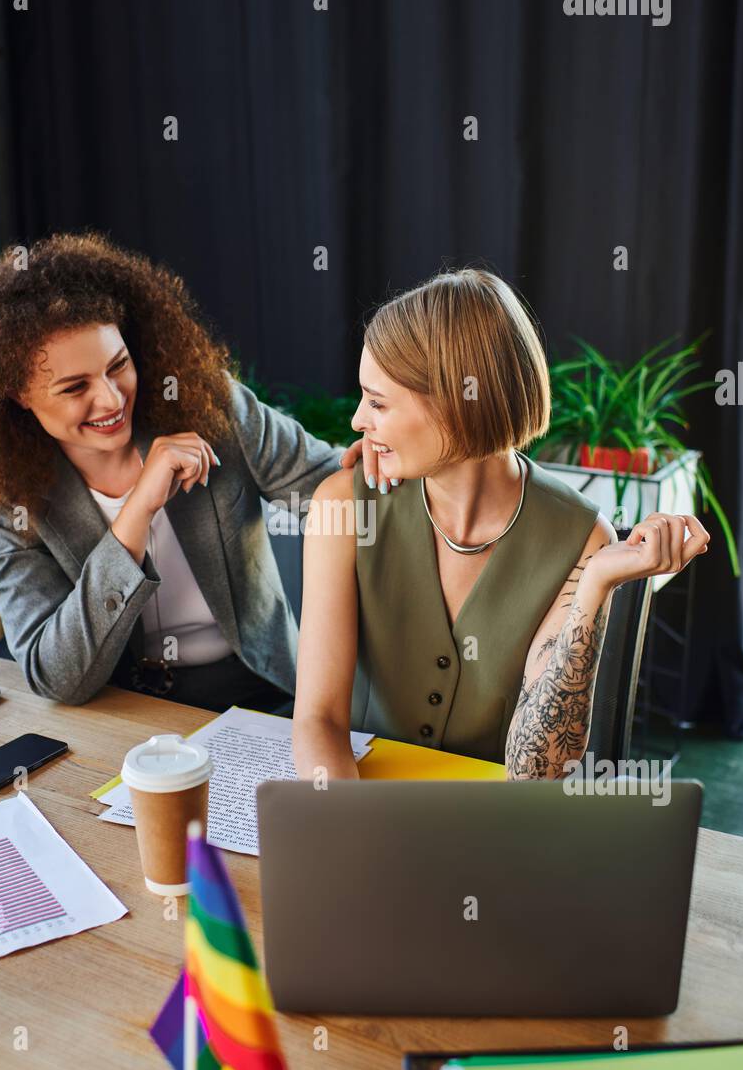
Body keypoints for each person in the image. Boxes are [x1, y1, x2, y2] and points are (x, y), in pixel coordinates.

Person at [0, 232, 388, 711]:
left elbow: (341, 493)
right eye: (74, 387)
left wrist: (387, 460)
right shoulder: (1, 492)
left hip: (252, 689)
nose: (110, 399)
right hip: (112, 703)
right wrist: (137, 511)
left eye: (118, 365)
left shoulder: (212, 408)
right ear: (18, 395)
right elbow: (56, 677)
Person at [292, 268, 710, 779]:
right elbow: (318, 720)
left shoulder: (583, 539)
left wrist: (594, 585)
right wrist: (348, 818)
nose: (358, 420)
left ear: (454, 404)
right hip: (356, 797)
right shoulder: (342, 505)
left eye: (378, 402)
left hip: (494, 814)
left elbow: (538, 771)